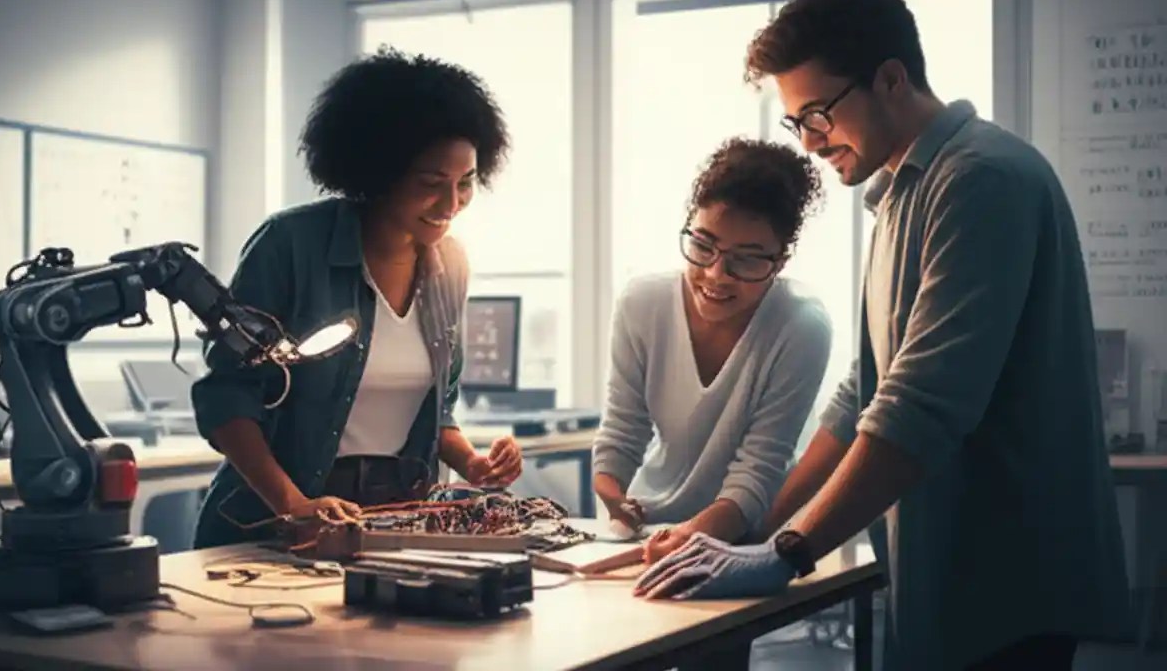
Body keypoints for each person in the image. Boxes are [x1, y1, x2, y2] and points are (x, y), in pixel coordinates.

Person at [634, 0, 1132, 671]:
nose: (809, 142)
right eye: (795, 122)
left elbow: (920, 406)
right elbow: (863, 391)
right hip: (943, 571)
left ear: (891, 79)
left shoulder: (981, 179)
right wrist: (750, 528)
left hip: (1007, 576)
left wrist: (786, 552)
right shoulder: (903, 191)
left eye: (817, 114)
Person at [191, 47, 524, 549]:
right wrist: (294, 505)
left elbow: (435, 412)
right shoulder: (290, 244)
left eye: (466, 184)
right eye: (431, 184)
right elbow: (225, 396)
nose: (451, 204)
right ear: (380, 171)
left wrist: (474, 463)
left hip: (389, 527)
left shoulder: (450, 265)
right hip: (271, 528)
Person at [592, 137, 832, 565]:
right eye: (703, 246)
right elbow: (622, 430)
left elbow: (758, 470)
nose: (716, 275)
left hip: (743, 536)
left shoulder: (800, 326)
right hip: (645, 530)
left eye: (746, 260)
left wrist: (694, 534)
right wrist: (614, 500)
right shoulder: (641, 302)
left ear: (780, 261)